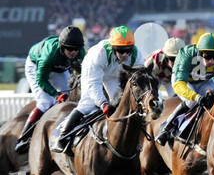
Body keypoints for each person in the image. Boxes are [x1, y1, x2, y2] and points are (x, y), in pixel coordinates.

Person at [56, 25, 139, 154]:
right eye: (121, 51)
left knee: (120, 103)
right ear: (113, 48)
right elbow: (94, 84)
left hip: (114, 72)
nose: (125, 55)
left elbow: (142, 77)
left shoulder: (136, 54)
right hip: (93, 70)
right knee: (88, 104)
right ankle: (62, 137)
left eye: (128, 51)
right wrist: (103, 103)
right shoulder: (99, 54)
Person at [15, 26, 84, 154]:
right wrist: (56, 94)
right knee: (45, 102)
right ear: (62, 46)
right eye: (69, 49)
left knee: (70, 97)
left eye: (76, 49)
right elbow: (42, 81)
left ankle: (64, 133)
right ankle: (23, 138)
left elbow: (84, 72)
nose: (74, 52)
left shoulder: (80, 52)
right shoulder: (49, 54)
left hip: (59, 69)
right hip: (36, 66)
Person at [163, 32, 214, 145]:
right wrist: (196, 96)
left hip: (203, 82)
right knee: (191, 102)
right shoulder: (186, 55)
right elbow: (179, 84)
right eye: (208, 56)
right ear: (199, 52)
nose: (212, 61)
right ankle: (166, 127)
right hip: (184, 81)